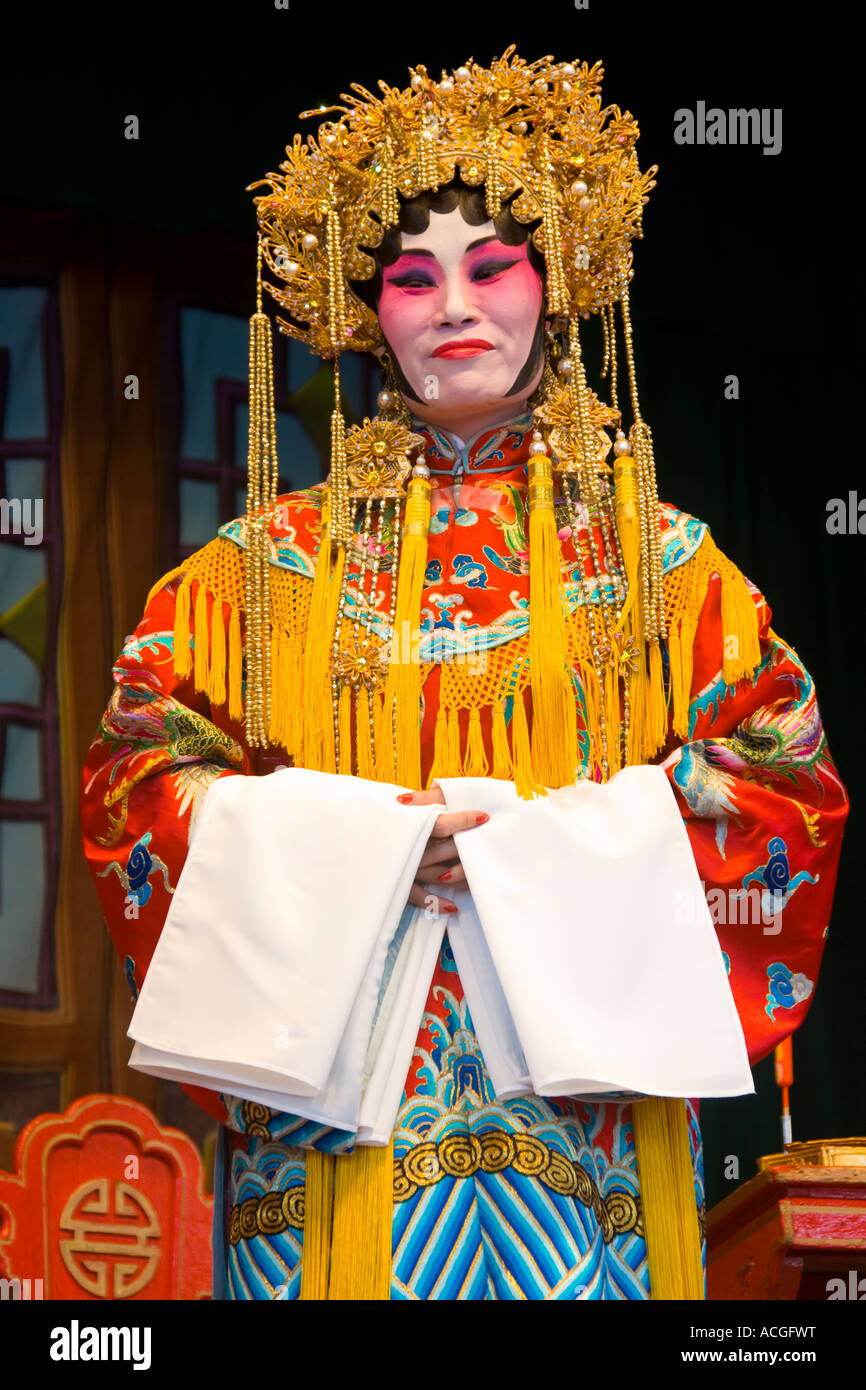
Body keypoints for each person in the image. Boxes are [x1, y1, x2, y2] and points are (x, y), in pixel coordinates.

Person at [79, 49, 848, 1300]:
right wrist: (359, 844)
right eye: (408, 278)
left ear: (553, 283)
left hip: (578, 1126)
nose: (453, 307)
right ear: (360, 306)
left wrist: (538, 849)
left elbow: (783, 782)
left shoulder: (662, 567)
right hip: (335, 1135)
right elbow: (131, 786)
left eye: (490, 267)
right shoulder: (250, 577)